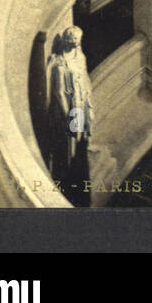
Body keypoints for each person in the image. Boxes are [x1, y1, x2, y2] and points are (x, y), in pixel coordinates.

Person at [46, 26, 93, 189]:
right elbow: (59, 92)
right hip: (69, 106)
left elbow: (86, 80)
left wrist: (88, 105)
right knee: (67, 142)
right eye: (75, 40)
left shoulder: (80, 57)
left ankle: (76, 171)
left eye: (78, 40)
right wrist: (68, 116)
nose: (77, 44)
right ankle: (66, 175)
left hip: (80, 103)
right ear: (68, 41)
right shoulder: (59, 63)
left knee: (79, 138)